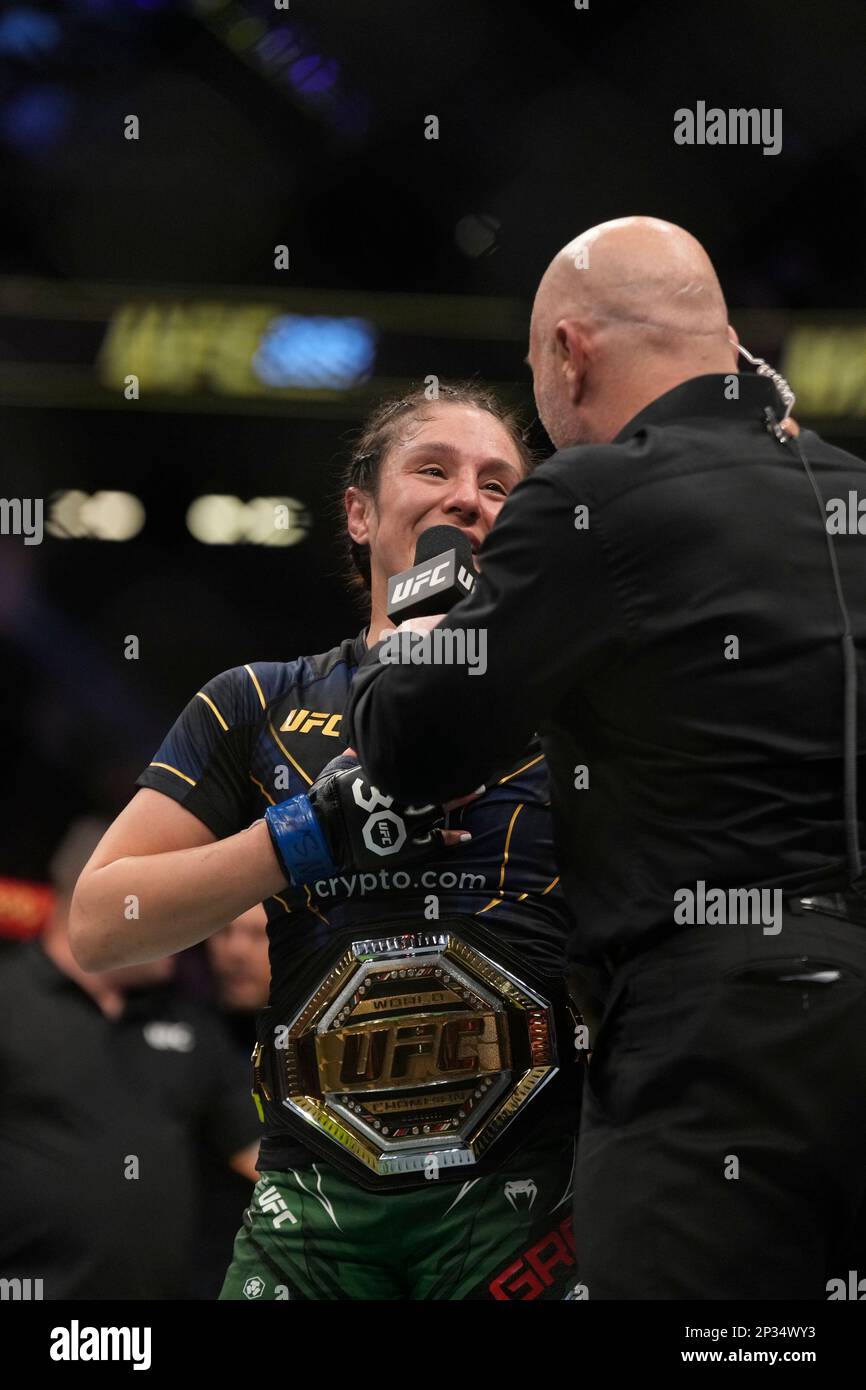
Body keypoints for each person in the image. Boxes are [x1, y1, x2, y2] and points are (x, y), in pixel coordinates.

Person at [343, 217, 866, 1300]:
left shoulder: (594, 498)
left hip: (714, 1043)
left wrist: (428, 597)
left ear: (568, 353)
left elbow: (411, 742)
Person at [69, 383, 582, 1301]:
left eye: (501, 484)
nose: (470, 495)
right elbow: (104, 924)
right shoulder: (256, 702)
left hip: (525, 1200)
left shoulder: (581, 714)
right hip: (316, 1209)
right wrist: (306, 836)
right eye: (434, 468)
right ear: (359, 511)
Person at [0, 818, 260, 1300]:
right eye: (156, 901)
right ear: (94, 901)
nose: (180, 924)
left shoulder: (192, 1026)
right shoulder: (7, 1000)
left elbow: (262, 1158)